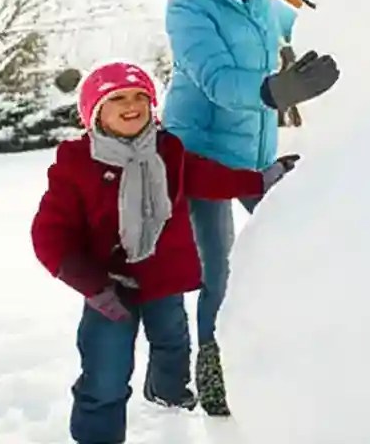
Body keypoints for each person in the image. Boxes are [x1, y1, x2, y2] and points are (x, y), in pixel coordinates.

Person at [30, 62, 299, 444]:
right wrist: (93, 286)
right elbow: (50, 235)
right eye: (118, 98)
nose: (132, 105)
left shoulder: (168, 150)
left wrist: (260, 179)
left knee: (173, 343)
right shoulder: (76, 165)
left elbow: (208, 177)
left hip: (163, 277)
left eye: (141, 97)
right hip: (108, 288)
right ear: (94, 112)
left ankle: (167, 394)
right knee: (106, 371)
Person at [162, 0, 340, 416]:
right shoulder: (188, 5)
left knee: (296, 244)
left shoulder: (263, 2)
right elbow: (215, 79)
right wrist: (275, 87)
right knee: (220, 268)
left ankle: (286, 352)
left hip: (256, 154)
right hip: (202, 157)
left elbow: (314, 30)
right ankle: (215, 378)